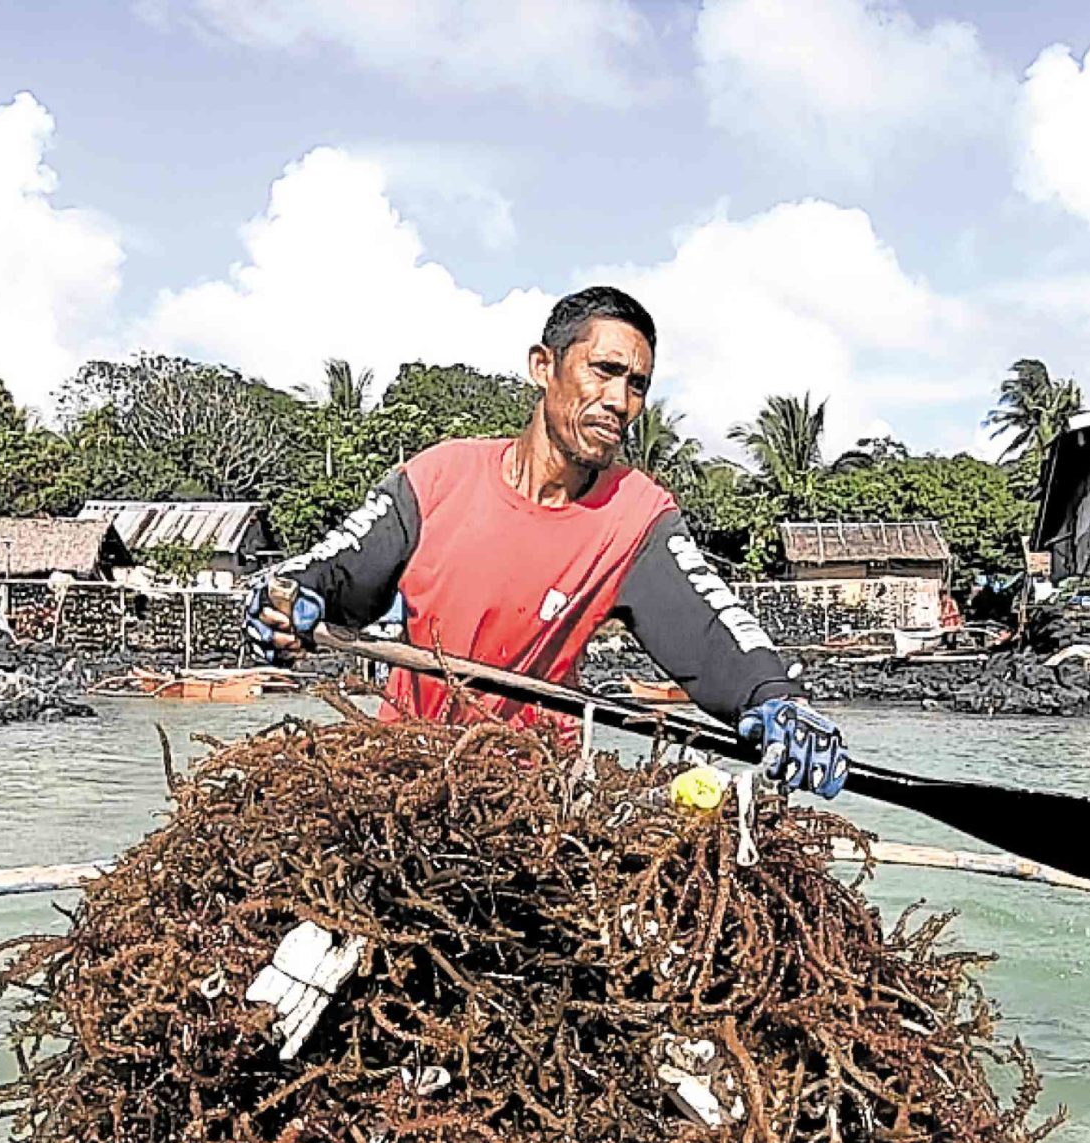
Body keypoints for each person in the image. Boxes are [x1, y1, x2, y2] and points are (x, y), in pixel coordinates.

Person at [245, 286, 848, 797]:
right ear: (544, 366)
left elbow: (711, 626)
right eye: (605, 370)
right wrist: (289, 599)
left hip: (540, 798)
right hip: (407, 778)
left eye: (637, 385)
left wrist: (775, 697)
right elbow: (340, 568)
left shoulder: (635, 515)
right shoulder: (437, 478)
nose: (620, 400)